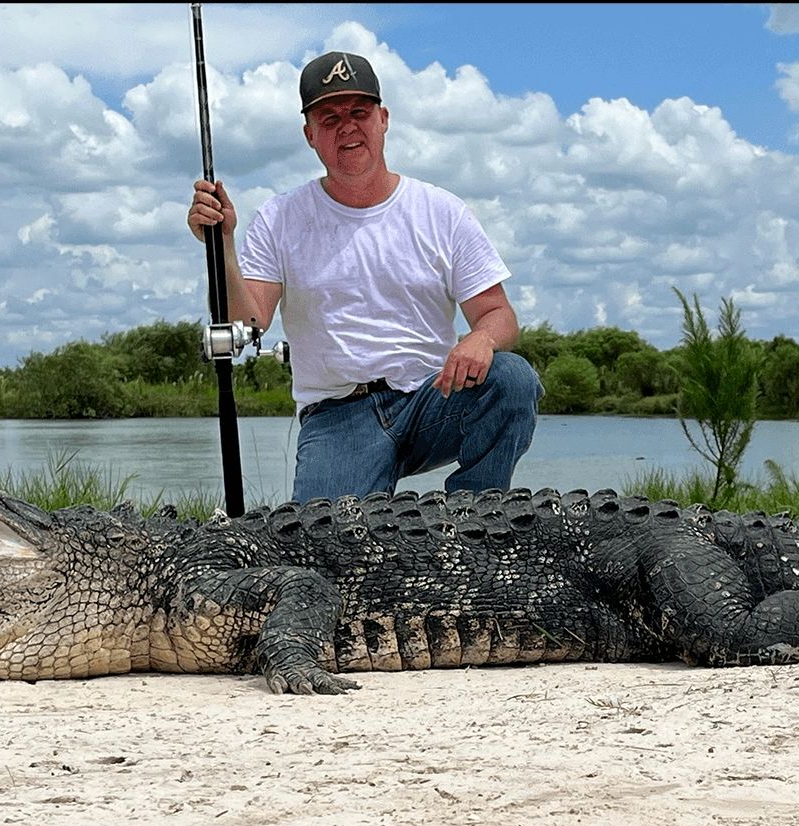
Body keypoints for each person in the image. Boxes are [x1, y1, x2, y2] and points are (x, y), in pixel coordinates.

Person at [186, 50, 542, 503]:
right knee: (319, 544)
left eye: (359, 111)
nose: (347, 125)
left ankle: (475, 521)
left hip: (432, 397)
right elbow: (249, 322)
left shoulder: (442, 211)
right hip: (337, 414)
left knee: (511, 379)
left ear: (383, 118)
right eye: (329, 117)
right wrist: (222, 245)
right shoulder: (279, 217)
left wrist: (481, 340)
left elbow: (498, 314)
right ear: (309, 135)